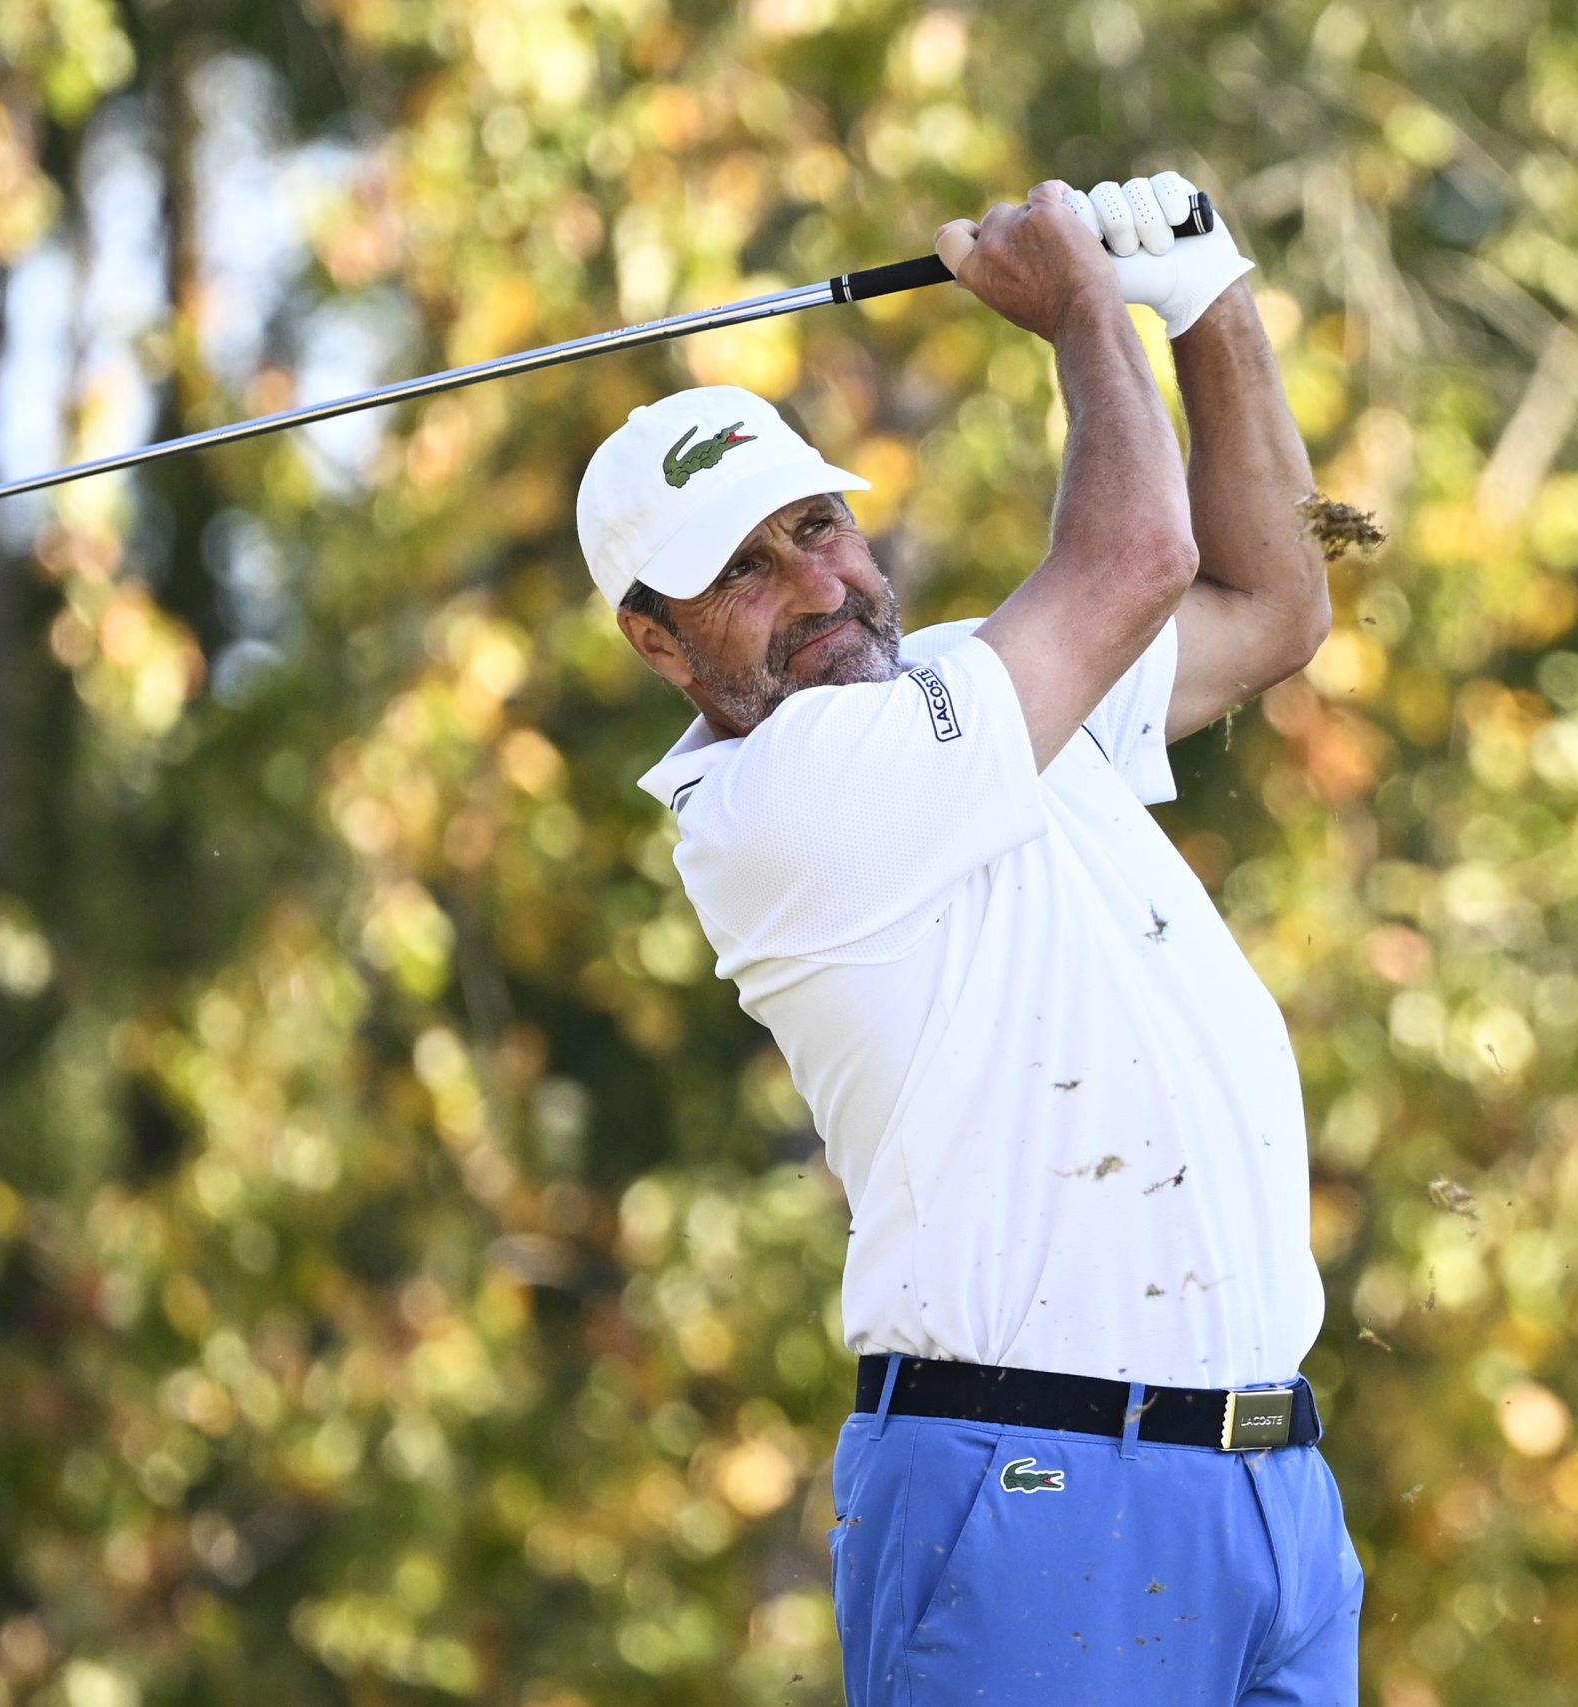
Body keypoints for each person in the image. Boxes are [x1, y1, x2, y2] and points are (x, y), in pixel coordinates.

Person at [574, 172, 1359, 1705]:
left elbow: (1273, 609)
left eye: (817, 525)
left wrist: (1207, 304)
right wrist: (1082, 309)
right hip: (1037, 1483)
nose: (816, 584)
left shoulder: (975, 692)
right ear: (657, 643)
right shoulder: (778, 796)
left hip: (1268, 1488)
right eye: (744, 570)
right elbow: (1139, 563)